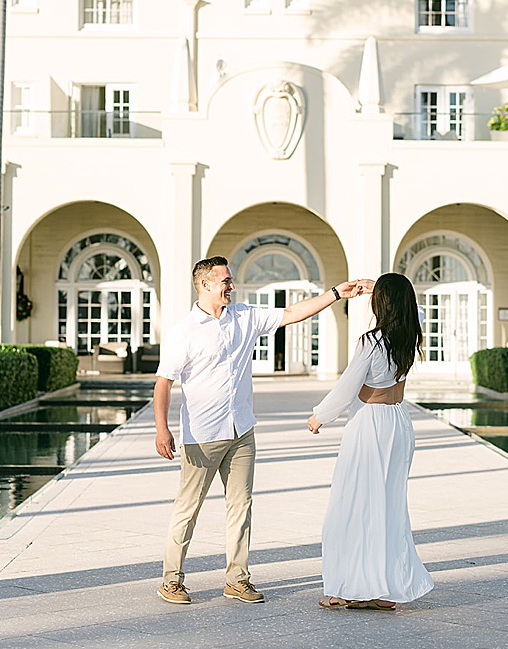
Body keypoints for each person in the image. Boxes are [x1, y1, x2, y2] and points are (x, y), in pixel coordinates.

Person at [154, 255, 371, 606]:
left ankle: (237, 580)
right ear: (205, 284)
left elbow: (291, 313)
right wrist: (162, 429)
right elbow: (163, 383)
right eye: (225, 281)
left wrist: (335, 294)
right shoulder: (185, 331)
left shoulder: (244, 316)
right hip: (203, 436)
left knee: (240, 507)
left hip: (242, 431)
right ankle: (171, 580)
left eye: (230, 280)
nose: (231, 285)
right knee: (188, 508)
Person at [306, 272, 434, 611]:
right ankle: (380, 589)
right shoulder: (410, 337)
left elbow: (348, 386)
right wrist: (377, 286)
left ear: (381, 303)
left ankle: (343, 588)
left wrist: (319, 415)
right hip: (398, 423)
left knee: (351, 507)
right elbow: (410, 305)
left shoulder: (371, 341)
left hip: (371, 425)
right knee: (387, 508)